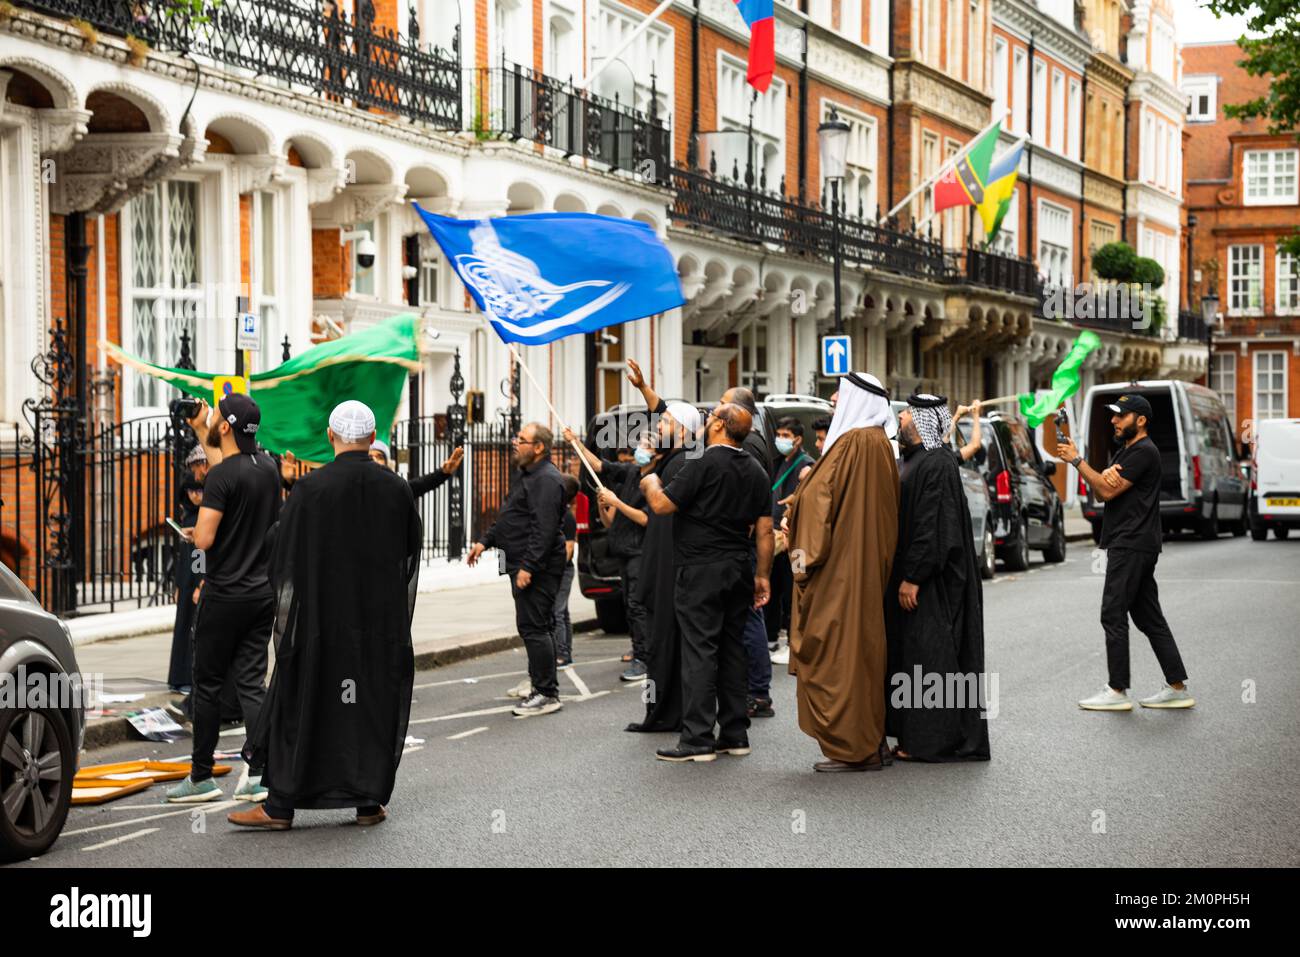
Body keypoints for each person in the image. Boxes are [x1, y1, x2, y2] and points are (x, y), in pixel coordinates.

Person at [228, 400, 422, 830]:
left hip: (321, 622)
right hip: (374, 623)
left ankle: (280, 807)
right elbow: (409, 549)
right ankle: (367, 801)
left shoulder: (312, 490)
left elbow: (281, 552)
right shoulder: (396, 488)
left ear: (331, 437)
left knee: (305, 702)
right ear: (372, 439)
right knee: (365, 705)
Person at [640, 403, 773, 763]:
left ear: (717, 425)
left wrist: (651, 480)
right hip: (737, 568)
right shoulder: (757, 470)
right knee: (732, 650)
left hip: (699, 569)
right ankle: (734, 733)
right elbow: (764, 531)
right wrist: (762, 575)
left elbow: (664, 506)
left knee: (700, 650)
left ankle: (697, 738)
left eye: (712, 415)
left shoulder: (700, 461)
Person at [167, 394, 282, 803]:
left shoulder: (219, 478)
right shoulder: (268, 468)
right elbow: (232, 475)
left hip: (224, 594)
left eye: (216, 415)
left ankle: (201, 776)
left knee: (209, 684)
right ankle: (260, 773)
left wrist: (192, 534)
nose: (211, 417)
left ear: (228, 427)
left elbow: (205, 538)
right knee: (252, 682)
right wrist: (201, 426)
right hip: (261, 594)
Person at [786, 372, 900, 771]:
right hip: (867, 572)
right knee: (865, 656)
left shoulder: (849, 444)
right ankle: (873, 741)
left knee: (838, 658)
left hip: (838, 576)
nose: (834, 399)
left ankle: (854, 748)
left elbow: (817, 510)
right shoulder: (879, 443)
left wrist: (799, 564)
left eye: (840, 393)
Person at [1059, 394, 1193, 711]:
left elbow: (1105, 490)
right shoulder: (1129, 450)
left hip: (1130, 543)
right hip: (1139, 543)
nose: (1114, 421)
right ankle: (1177, 686)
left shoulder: (1144, 451)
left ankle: (1117, 690)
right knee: (1148, 617)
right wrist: (1098, 475)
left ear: (1141, 420)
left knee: (1112, 612)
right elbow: (1102, 486)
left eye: (1121, 416)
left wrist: (1078, 461)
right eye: (1114, 416)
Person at [885, 393, 991, 762]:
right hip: (919, 577)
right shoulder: (917, 460)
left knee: (930, 658)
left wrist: (913, 576)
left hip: (934, 583)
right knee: (915, 657)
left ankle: (932, 741)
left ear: (921, 421)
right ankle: (914, 734)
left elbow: (932, 527)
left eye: (907, 414)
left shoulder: (937, 464)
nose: (900, 419)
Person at [466, 422, 568, 718]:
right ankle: (538, 682)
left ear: (538, 447)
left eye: (521, 440)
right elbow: (512, 517)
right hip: (521, 561)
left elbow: (544, 529)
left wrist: (529, 567)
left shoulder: (547, 479)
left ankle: (547, 694)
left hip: (536, 565)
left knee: (534, 627)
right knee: (537, 625)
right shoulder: (527, 475)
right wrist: (484, 542)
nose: (515, 443)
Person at [623, 398, 701, 733]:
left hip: (671, 572)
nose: (658, 427)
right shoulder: (671, 461)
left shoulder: (682, 463)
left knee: (666, 647)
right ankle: (662, 713)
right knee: (661, 646)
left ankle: (667, 715)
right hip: (661, 568)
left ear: (682, 431)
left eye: (666, 422)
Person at [565, 427, 656, 681]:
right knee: (630, 604)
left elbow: (645, 518)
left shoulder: (656, 480)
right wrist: (577, 444)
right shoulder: (630, 473)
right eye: (640, 443)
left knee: (638, 605)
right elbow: (599, 465)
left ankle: (644, 658)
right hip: (624, 552)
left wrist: (616, 502)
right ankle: (640, 651)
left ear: (657, 453)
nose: (640, 449)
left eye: (647, 445)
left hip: (640, 552)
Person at [766, 417, 815, 661]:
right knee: (774, 587)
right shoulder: (778, 462)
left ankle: (795, 639)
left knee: (794, 587)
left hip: (795, 540)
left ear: (797, 439)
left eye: (786, 435)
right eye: (779, 434)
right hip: (775, 538)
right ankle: (774, 639)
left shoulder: (805, 465)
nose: (781, 440)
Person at [167, 477, 205, 695]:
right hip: (186, 578)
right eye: (191, 491)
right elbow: (183, 557)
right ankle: (178, 677)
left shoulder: (205, 516)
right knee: (182, 627)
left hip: (197, 579)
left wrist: (201, 580)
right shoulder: (188, 516)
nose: (194, 496)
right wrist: (179, 584)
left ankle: (189, 678)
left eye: (198, 491)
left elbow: (201, 552)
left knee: (194, 628)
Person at [370, 439, 466, 498]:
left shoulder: (394, 489)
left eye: (379, 457)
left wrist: (443, 473)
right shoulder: (356, 488)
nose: (374, 460)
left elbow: (420, 485)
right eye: (370, 457)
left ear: (387, 463)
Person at [553, 474, 580, 667]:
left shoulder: (567, 517)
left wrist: (554, 571)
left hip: (563, 571)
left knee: (557, 612)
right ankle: (566, 651)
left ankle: (562, 654)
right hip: (562, 571)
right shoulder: (559, 513)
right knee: (564, 612)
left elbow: (569, 550)